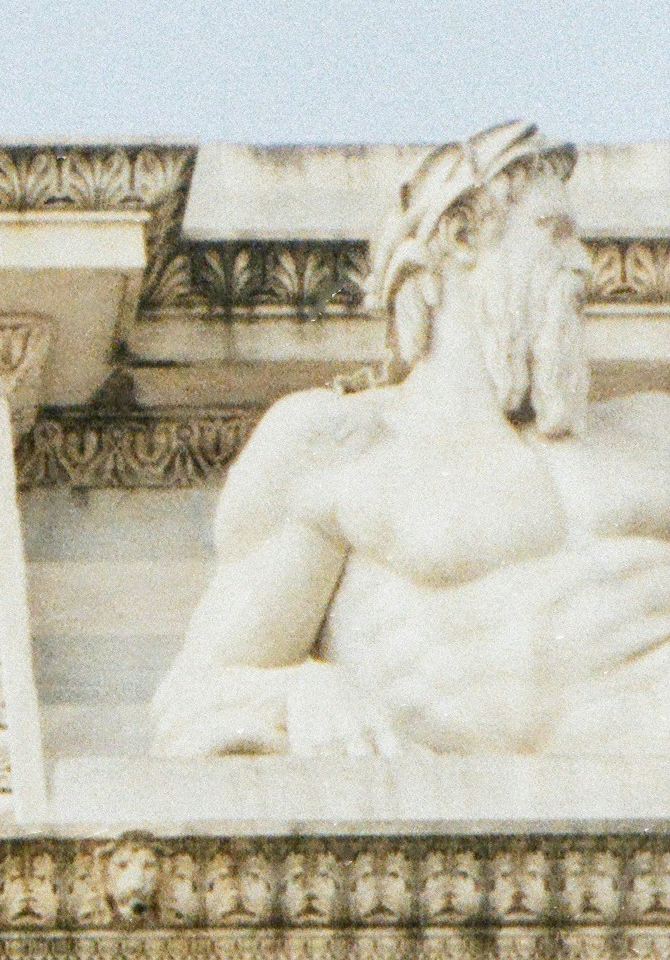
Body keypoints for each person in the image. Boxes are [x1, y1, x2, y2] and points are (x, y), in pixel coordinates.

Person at [156, 123, 670, 759]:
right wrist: (299, 697)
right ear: (461, 237)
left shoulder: (653, 432)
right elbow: (197, 697)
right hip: (441, 814)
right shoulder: (340, 447)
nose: (584, 264)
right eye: (554, 232)